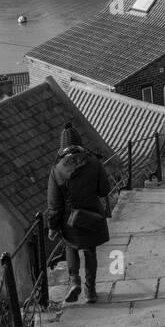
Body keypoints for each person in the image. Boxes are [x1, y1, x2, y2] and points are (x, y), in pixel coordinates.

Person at [45, 122, 112, 304]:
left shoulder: (57, 170)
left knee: (71, 247)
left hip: (69, 220)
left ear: (62, 148)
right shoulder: (94, 163)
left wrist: (52, 227)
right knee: (90, 251)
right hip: (92, 216)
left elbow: (54, 205)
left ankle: (74, 280)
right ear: (79, 143)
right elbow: (104, 191)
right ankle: (90, 292)